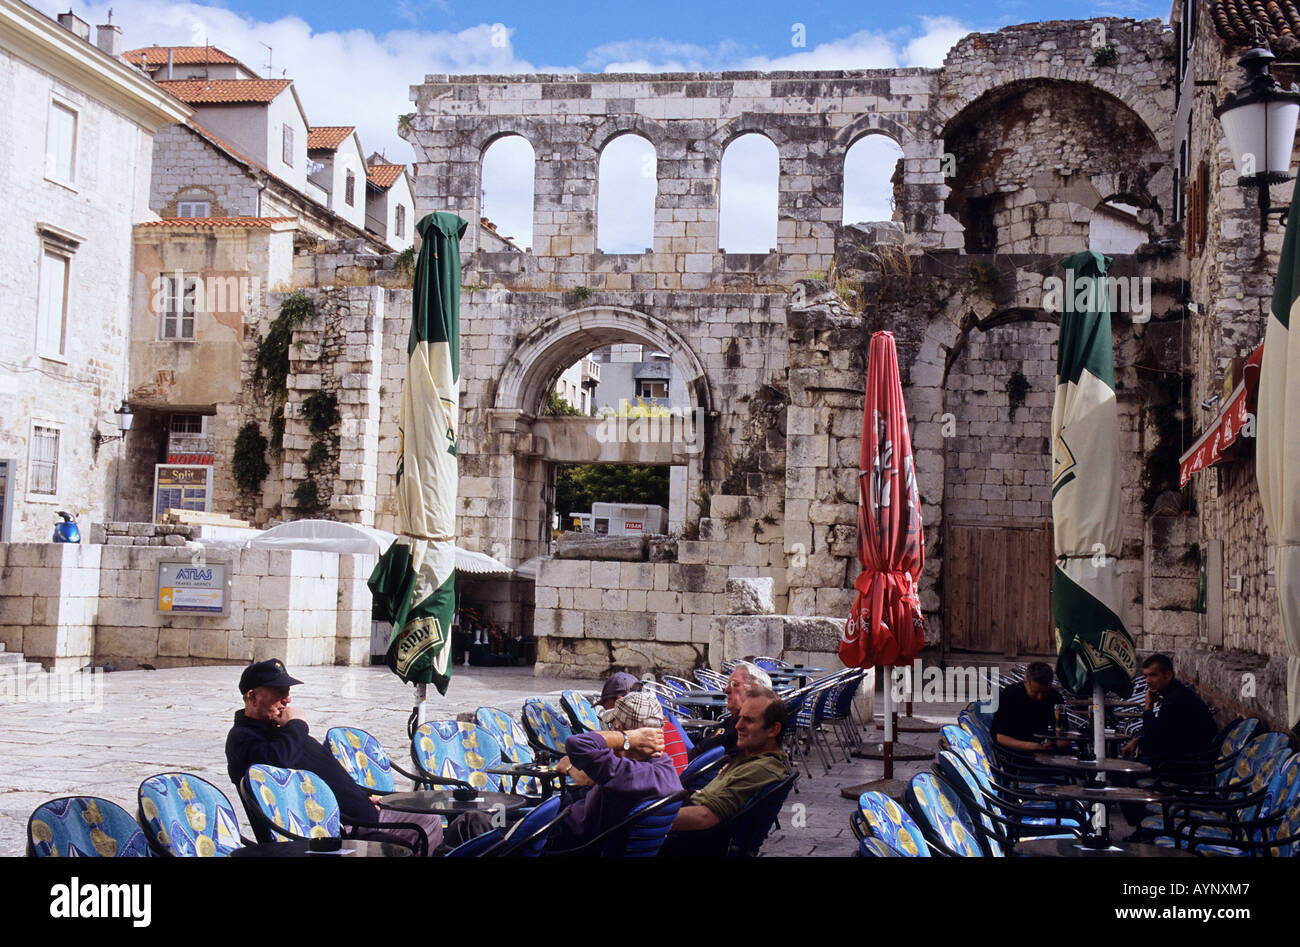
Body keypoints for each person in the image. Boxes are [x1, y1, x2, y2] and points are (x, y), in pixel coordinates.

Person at [225, 659, 463, 855]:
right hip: (339, 828)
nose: (287, 700)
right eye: (279, 693)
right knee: (416, 834)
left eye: (287, 692)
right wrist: (297, 724)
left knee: (430, 819)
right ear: (252, 697)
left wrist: (361, 796)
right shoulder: (243, 738)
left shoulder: (279, 730)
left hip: (361, 811)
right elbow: (276, 765)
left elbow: (325, 772)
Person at [661, 687, 791, 855]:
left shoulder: (760, 769)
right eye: (740, 718)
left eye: (749, 720)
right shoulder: (752, 759)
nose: (738, 725)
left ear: (773, 729)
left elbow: (704, 817)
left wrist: (650, 820)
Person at [546, 690, 680, 851]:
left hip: (568, 839)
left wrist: (627, 738)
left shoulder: (625, 773)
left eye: (613, 726)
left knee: (508, 823)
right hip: (598, 834)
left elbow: (576, 744)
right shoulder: (665, 767)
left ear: (621, 728)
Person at [1120, 654, 1217, 765]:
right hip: (1180, 758)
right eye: (1145, 676)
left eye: (1152, 675)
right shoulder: (1175, 693)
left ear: (1168, 675)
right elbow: (1163, 733)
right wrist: (1137, 741)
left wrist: (1148, 708)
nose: (1148, 681)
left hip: (1184, 765)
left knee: (1121, 770)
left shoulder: (1176, 700)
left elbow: (1152, 745)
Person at [687, 661, 773, 760]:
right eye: (727, 685)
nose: (726, 690)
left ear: (754, 690)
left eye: (734, 684)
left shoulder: (747, 732)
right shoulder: (733, 722)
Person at [990, 661, 1069, 754]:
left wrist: (1054, 746)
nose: (1040, 697)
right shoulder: (1011, 694)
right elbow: (1000, 737)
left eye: (1045, 692)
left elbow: (1065, 737)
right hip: (1012, 749)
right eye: (1035, 692)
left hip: (1042, 749)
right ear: (1025, 683)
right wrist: (1033, 747)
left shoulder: (1055, 697)